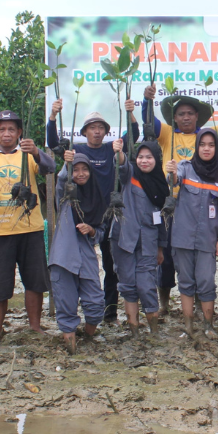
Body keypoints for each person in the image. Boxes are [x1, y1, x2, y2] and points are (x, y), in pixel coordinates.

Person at [140, 85, 218, 318]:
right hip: (171, 205)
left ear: (197, 116)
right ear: (174, 117)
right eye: (181, 114)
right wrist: (147, 100)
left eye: (190, 113)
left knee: (200, 257)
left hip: (200, 203)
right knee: (168, 256)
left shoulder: (206, 137)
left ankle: (200, 303)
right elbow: (149, 120)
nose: (185, 117)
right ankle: (165, 302)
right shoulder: (168, 133)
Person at [47, 99, 140, 326]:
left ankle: (109, 314)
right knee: (77, 262)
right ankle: (76, 308)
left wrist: (131, 113)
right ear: (85, 131)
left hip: (109, 213)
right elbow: (53, 143)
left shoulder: (111, 149)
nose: (97, 132)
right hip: (83, 214)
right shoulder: (77, 150)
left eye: (101, 128)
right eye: (92, 128)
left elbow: (134, 135)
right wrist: (53, 115)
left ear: (106, 132)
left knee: (111, 264)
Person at [0, 110, 55, 345]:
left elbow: (50, 168)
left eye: (11, 129)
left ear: (19, 133)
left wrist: (37, 152)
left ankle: (35, 326)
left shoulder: (27, 155)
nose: (7, 134)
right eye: (2, 130)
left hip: (31, 228)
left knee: (35, 281)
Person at [166, 129, 218, 340]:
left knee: (206, 282)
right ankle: (188, 326)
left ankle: (208, 325)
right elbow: (174, 181)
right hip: (182, 237)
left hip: (208, 240)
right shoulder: (185, 167)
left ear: (216, 148)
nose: (207, 149)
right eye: (203, 144)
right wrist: (172, 172)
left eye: (211, 145)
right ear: (197, 147)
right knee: (185, 282)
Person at [110, 139, 169, 336]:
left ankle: (153, 331)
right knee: (128, 285)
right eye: (141, 157)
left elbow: (162, 217)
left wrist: (161, 246)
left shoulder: (162, 184)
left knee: (146, 284)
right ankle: (134, 331)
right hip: (123, 239)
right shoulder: (130, 175)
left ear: (156, 159)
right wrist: (119, 152)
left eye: (149, 157)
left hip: (149, 241)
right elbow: (122, 164)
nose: (144, 161)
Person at [51, 152, 108, 353]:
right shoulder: (65, 196)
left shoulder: (98, 198)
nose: (81, 174)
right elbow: (61, 181)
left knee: (95, 304)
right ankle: (72, 349)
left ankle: (89, 338)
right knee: (66, 305)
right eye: (76, 170)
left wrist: (91, 230)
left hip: (86, 254)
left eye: (85, 169)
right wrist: (66, 164)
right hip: (63, 256)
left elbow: (101, 231)